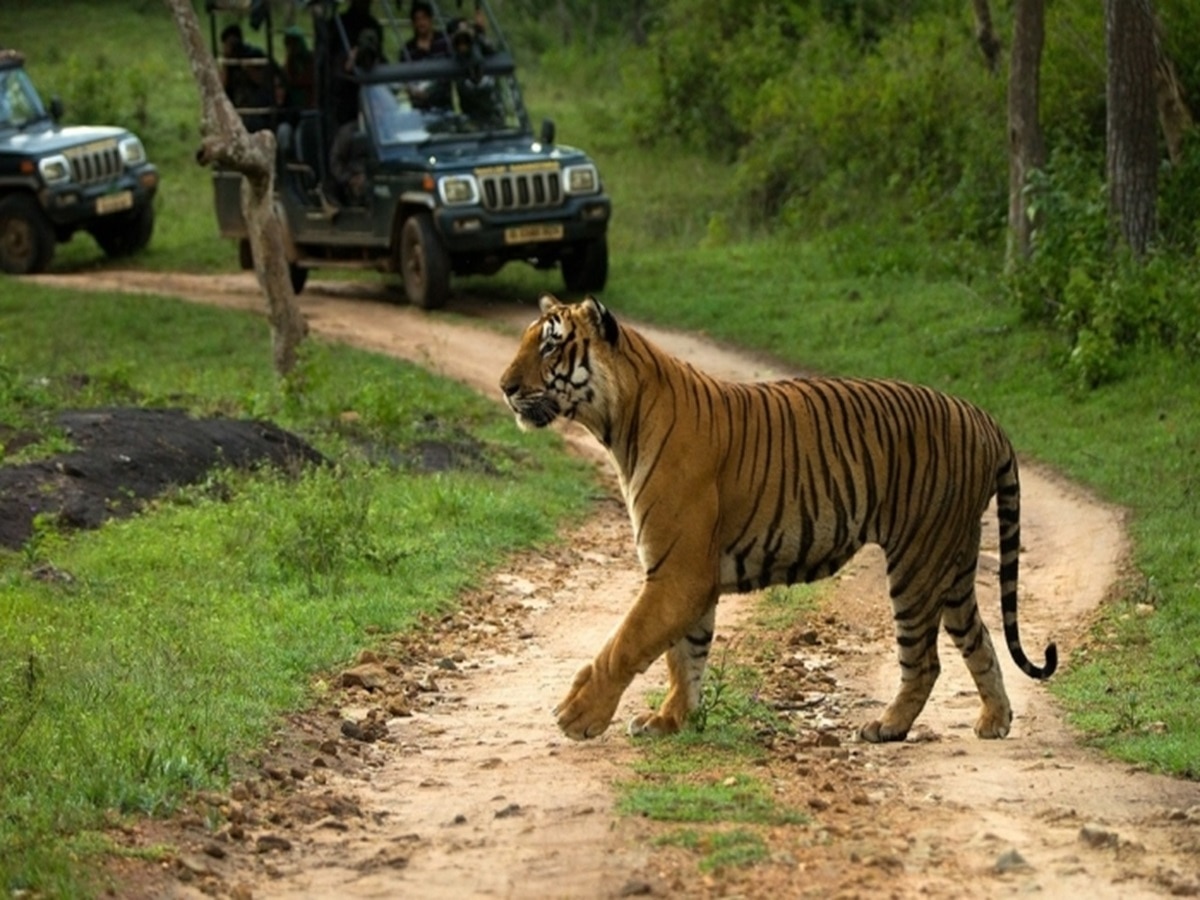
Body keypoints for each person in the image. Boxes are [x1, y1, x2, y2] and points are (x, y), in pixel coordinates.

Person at [448, 17, 502, 127]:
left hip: (495, 116)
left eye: (467, 31)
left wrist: (478, 34)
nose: (464, 41)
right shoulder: (454, 60)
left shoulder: (483, 52)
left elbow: (493, 50)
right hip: (471, 119)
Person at [219, 23, 272, 131]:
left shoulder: (254, 54)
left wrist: (245, 64)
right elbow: (221, 89)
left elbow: (261, 80)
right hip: (236, 110)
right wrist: (227, 62)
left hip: (256, 110)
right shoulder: (228, 63)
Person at [404, 1, 451, 110]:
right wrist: (414, 91)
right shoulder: (407, 49)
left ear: (431, 19)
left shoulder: (445, 41)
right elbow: (405, 80)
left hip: (444, 105)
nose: (421, 23)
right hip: (418, 107)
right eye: (417, 19)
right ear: (413, 23)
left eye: (424, 18)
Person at [281, 26, 315, 110]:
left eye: (293, 43)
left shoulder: (310, 58)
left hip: (308, 98)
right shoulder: (290, 60)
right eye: (288, 44)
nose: (291, 48)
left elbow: (309, 78)